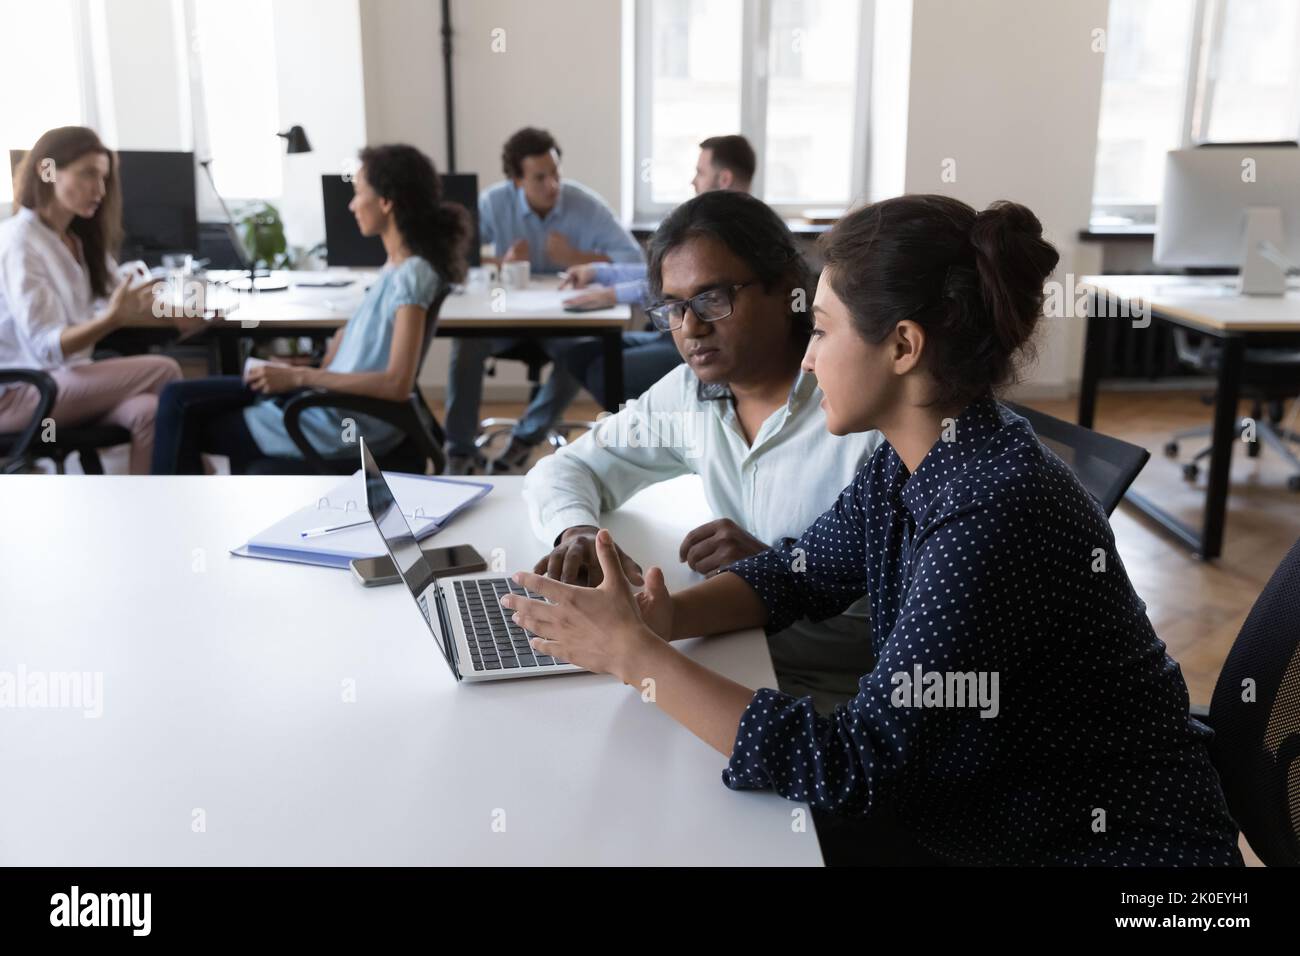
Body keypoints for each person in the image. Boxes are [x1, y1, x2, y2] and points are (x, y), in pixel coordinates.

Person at [501, 194, 1245, 866]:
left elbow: (857, 766)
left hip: (1094, 851)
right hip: (981, 801)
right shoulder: (913, 459)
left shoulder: (992, 511)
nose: (810, 356)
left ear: (903, 347)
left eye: (821, 332)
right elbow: (799, 573)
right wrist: (664, 618)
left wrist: (640, 660)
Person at [523, 189, 880, 712]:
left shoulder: (861, 411)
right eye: (674, 306)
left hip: (837, 700)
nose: (690, 327)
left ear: (786, 289)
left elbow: (903, 620)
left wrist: (780, 574)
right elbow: (565, 468)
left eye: (713, 298)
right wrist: (576, 530)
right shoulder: (691, 393)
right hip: (728, 659)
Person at [150, 144, 468, 474]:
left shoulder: (413, 273)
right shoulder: (395, 268)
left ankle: (177, 516)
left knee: (182, 409)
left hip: (338, 424)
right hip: (326, 404)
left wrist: (299, 376)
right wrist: (309, 366)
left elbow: (397, 384)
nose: (352, 204)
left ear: (386, 202)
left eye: (358, 193)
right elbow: (364, 359)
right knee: (179, 399)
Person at [443, 127, 643, 475]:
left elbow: (635, 262)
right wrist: (499, 262)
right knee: (466, 344)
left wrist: (575, 256)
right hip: (504, 317)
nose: (552, 185)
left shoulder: (584, 205)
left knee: (585, 350)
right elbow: (454, 255)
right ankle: (458, 452)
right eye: (540, 177)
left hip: (562, 321)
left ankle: (524, 439)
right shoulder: (494, 203)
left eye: (555, 174)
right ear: (516, 180)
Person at [0, 126, 182, 474]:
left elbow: (119, 294)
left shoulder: (73, 242)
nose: (99, 190)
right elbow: (46, 346)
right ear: (47, 171)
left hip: (65, 381)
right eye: (87, 175)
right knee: (165, 369)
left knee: (149, 412)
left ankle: (147, 514)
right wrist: (112, 318)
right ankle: (199, 482)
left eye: (103, 178)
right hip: (23, 391)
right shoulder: (19, 242)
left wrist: (181, 311)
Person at [556, 135, 757, 407]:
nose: (693, 181)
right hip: (667, 334)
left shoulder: (732, 232)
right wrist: (598, 272)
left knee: (602, 371)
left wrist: (611, 295)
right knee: (579, 355)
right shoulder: (707, 222)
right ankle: (645, 428)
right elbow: (659, 275)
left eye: (700, 172)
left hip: (695, 338)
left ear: (723, 180)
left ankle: (649, 432)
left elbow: (684, 289)